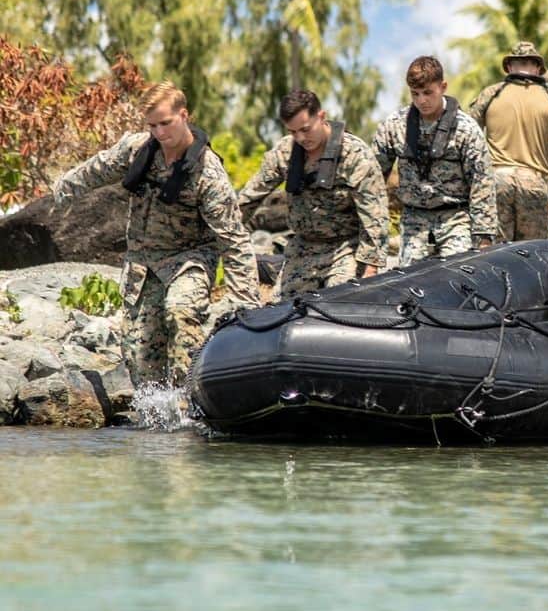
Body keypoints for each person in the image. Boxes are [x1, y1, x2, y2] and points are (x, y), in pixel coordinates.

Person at [52, 81, 259, 387]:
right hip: (143, 262)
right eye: (152, 126)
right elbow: (100, 167)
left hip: (189, 258)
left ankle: (191, 399)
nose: (160, 133)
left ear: (184, 115)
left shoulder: (208, 173)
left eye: (166, 123)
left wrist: (247, 304)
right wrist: (63, 187)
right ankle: (153, 418)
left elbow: (233, 238)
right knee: (138, 352)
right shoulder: (139, 149)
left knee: (180, 312)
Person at [238, 89, 388, 298]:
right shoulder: (285, 153)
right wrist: (223, 233)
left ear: (321, 116)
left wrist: (369, 269)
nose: (300, 138)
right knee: (281, 312)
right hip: (303, 247)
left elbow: (375, 217)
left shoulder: (356, 156)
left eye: (306, 129)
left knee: (338, 306)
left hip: (345, 248)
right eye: (292, 132)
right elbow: (250, 197)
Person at [373, 56, 497, 265]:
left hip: (456, 219)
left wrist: (484, 238)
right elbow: (374, 176)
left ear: (443, 86)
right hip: (414, 220)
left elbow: (482, 183)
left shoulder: (466, 129)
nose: (422, 100)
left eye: (428, 92)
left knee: (458, 278)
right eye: (415, 94)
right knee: (411, 284)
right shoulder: (394, 126)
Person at [470, 42, 548, 240]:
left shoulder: (491, 93)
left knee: (493, 257)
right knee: (531, 259)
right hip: (534, 185)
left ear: (510, 67)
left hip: (496, 183)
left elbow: (467, 135)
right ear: (537, 69)